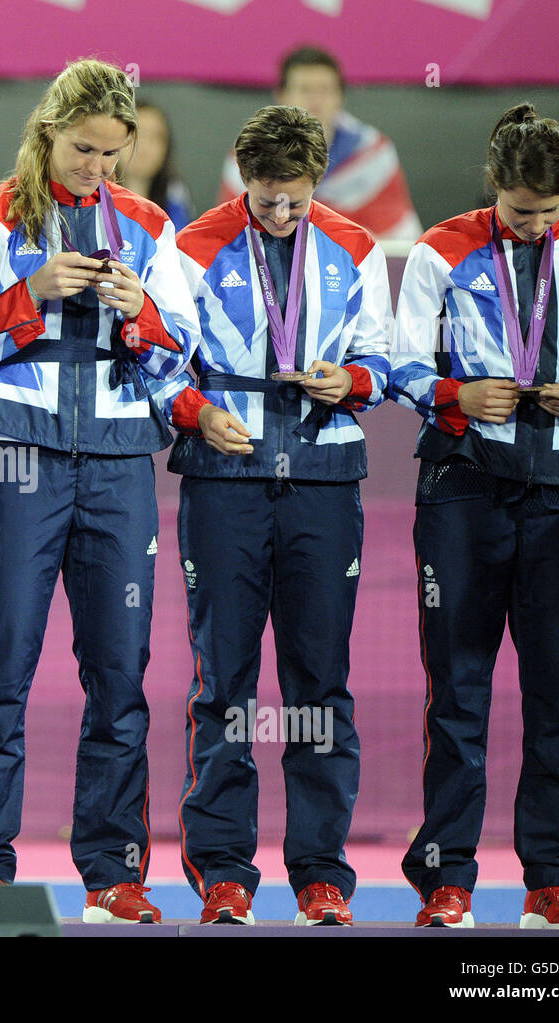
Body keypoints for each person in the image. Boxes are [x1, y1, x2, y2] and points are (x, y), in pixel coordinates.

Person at [0, 58, 199, 923]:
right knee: (2, 668)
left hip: (122, 458)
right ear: (50, 130)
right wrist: (31, 292)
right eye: (84, 149)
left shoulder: (152, 225)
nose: (98, 168)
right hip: (22, 457)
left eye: (113, 155)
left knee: (120, 674)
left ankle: (115, 874)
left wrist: (143, 313)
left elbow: (180, 355)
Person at [389, 104, 559, 929]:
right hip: (465, 487)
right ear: (495, 187)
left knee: (556, 696)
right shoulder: (441, 250)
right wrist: (454, 393)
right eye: (519, 211)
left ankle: (555, 882)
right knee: (457, 690)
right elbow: (397, 361)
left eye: (548, 213)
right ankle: (447, 879)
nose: (533, 226)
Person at [158, 105, 391, 927]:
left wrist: (352, 381)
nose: (282, 214)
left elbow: (384, 359)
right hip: (226, 473)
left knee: (319, 682)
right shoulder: (188, 247)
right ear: (242, 177)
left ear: (316, 180)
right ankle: (224, 871)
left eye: (295, 198)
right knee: (224, 679)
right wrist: (191, 409)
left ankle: (321, 873)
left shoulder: (356, 247)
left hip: (324, 474)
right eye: (266, 199)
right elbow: (156, 362)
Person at [217, 46, 421, 240]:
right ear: (281, 95)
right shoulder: (248, 152)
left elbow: (398, 241)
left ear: (340, 97)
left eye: (324, 90)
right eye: (305, 89)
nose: (315, 100)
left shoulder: (373, 155)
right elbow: (229, 232)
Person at [122, 100, 193, 231]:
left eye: (155, 137)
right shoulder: (91, 200)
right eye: (136, 135)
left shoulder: (175, 197)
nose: (145, 146)